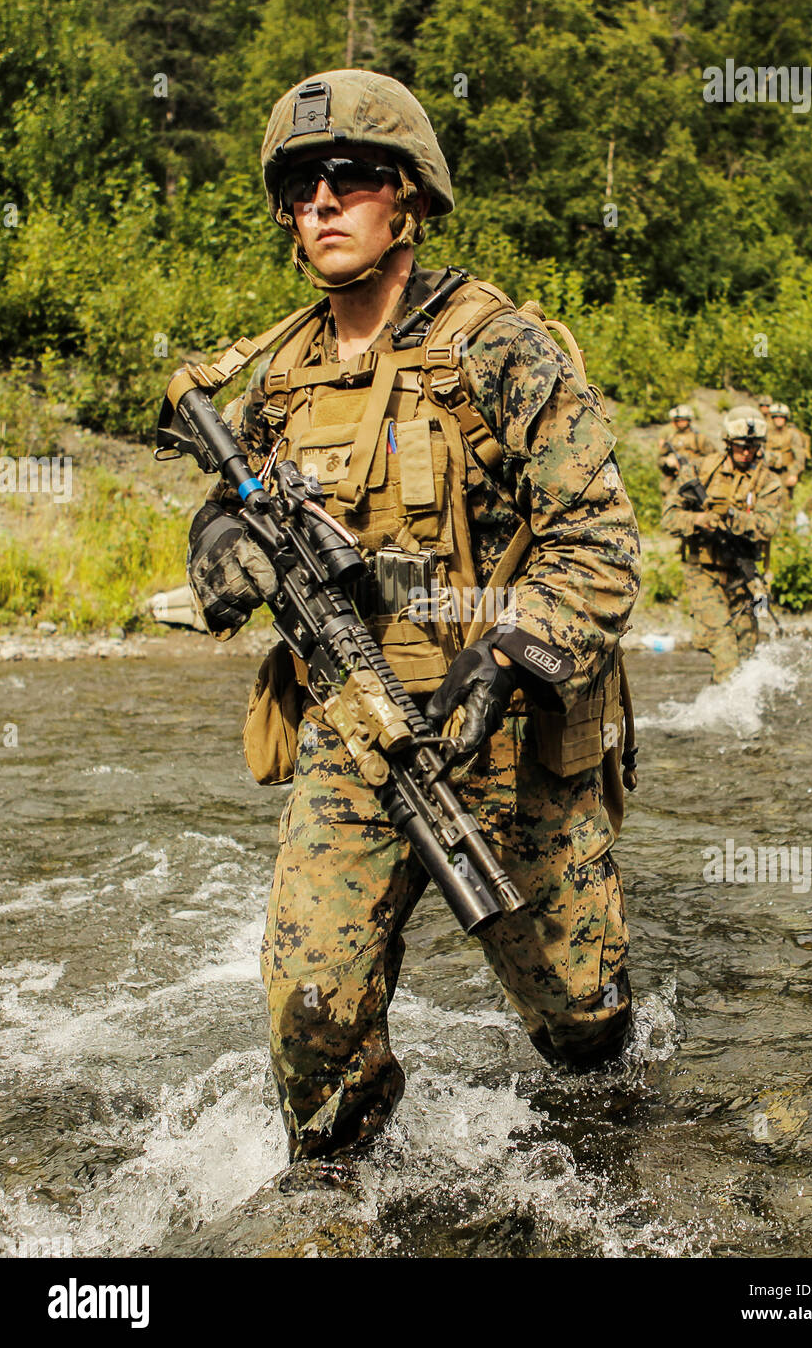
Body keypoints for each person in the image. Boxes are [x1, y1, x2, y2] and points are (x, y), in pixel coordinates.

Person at [182, 70, 642, 1167]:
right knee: (311, 1016)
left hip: (506, 738)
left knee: (582, 1030)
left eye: (349, 179)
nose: (322, 203)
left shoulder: (498, 347)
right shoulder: (279, 376)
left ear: (408, 198)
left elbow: (602, 542)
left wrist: (509, 653)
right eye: (300, 187)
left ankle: (619, 1155)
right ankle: (344, 1200)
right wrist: (216, 549)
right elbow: (224, 503)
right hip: (351, 728)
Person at [661, 406, 782, 682]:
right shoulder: (700, 470)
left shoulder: (767, 481)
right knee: (724, 648)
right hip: (703, 573)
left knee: (747, 650)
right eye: (741, 446)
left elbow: (769, 526)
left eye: (753, 446)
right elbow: (669, 519)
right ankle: (723, 714)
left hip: (743, 574)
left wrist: (731, 516)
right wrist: (701, 519)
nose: (747, 452)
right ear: (728, 442)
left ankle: (722, 708)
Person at [657, 403, 716, 497]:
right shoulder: (670, 439)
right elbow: (660, 460)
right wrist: (667, 461)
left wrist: (695, 463)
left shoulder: (700, 439)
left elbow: (714, 459)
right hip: (674, 481)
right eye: (677, 420)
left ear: (688, 420)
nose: (680, 422)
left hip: (696, 480)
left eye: (683, 419)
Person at [763, 401, 806, 504]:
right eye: (776, 416)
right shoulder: (765, 433)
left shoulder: (792, 434)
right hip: (766, 472)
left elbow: (800, 456)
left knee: (785, 503)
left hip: (784, 473)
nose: (779, 419)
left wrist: (794, 474)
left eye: (781, 417)